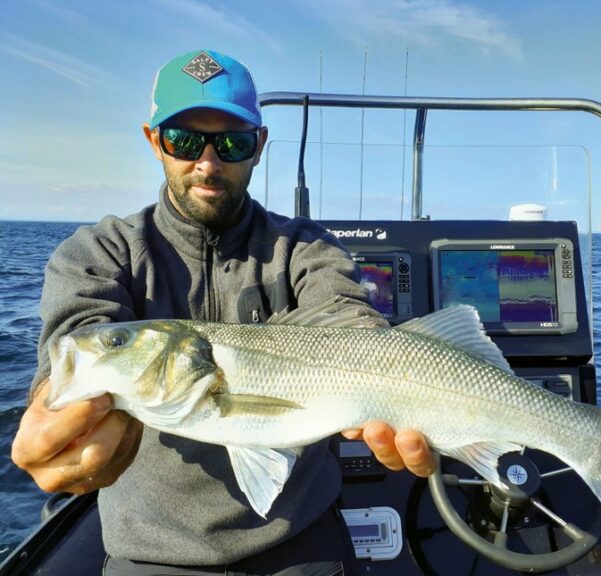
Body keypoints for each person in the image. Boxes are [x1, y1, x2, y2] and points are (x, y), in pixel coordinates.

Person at [11, 49, 434, 576]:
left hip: (302, 540)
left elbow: (347, 318)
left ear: (258, 147)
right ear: (153, 141)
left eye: (231, 143)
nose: (207, 163)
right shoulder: (98, 251)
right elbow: (78, 334)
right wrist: (54, 409)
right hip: (150, 552)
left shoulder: (307, 246)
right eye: (184, 140)